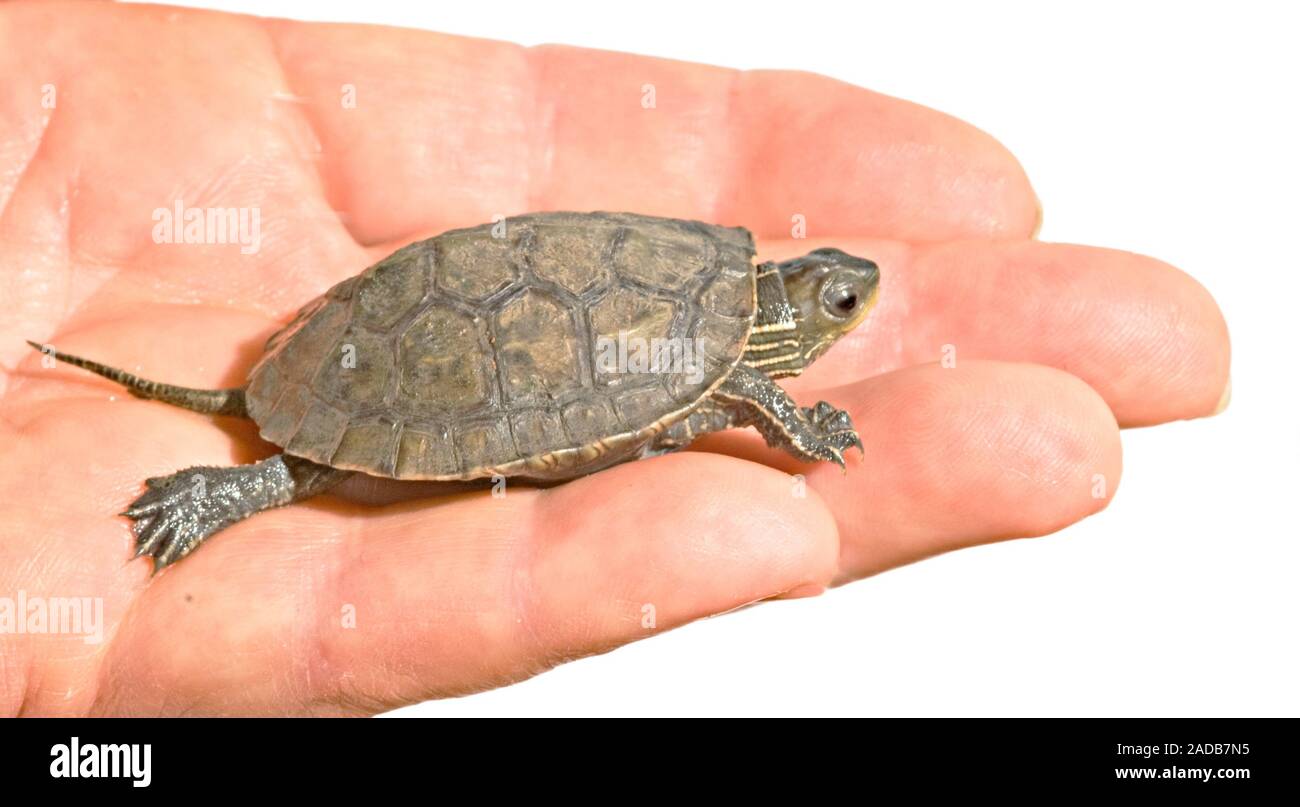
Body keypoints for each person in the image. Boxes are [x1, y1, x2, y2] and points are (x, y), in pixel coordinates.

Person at [0, 4, 1229, 715]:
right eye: (838, 299)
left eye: (841, 298)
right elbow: (750, 387)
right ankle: (233, 486)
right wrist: (810, 429)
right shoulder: (737, 353)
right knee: (316, 468)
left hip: (404, 312)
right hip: (418, 362)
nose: (845, 304)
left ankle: (252, 459)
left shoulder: (716, 301)